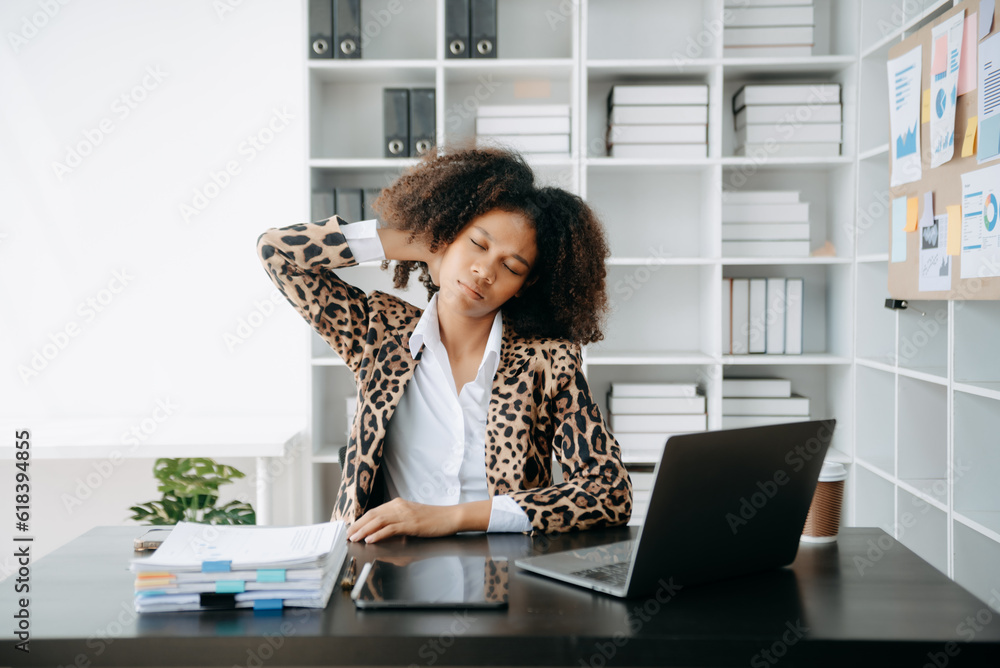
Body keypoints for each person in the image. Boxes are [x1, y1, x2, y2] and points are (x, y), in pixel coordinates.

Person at [256, 146, 631, 543]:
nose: (484, 271)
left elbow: (609, 493)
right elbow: (277, 251)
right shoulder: (379, 335)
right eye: (477, 244)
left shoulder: (547, 361)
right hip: (385, 565)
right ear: (449, 235)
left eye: (511, 267)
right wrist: (418, 241)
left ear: (525, 286)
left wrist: (454, 518)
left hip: (506, 575)